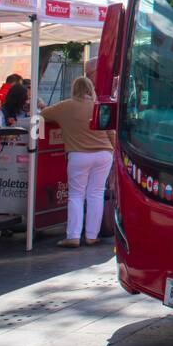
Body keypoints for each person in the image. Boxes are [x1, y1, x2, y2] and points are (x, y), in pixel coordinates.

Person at [39, 77, 114, 248]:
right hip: (104, 154)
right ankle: (91, 236)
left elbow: (43, 115)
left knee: (76, 195)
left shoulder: (64, 106)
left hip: (78, 155)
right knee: (96, 194)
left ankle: (73, 236)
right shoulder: (98, 107)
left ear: (74, 89)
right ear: (90, 89)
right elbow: (110, 132)